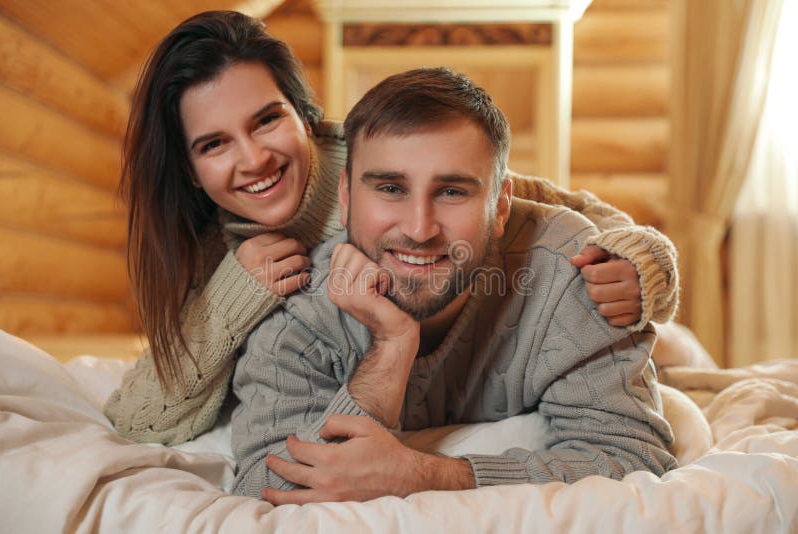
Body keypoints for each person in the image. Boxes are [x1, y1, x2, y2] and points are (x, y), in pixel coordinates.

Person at [104, 10, 679, 447]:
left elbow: (557, 208)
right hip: (366, 404)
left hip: (496, 365)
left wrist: (639, 261)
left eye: (266, 120)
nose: (254, 159)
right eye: (214, 144)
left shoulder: (393, 170)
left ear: (303, 117)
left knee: (664, 356)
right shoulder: (211, 253)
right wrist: (235, 292)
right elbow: (137, 420)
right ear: (193, 173)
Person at [231, 67, 677, 503]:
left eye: (452, 192)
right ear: (345, 197)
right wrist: (391, 344)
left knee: (681, 358)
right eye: (390, 188)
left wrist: (427, 476)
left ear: (501, 206)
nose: (420, 229)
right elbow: (262, 488)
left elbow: (633, 457)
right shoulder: (297, 302)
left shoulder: (570, 270)